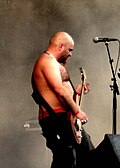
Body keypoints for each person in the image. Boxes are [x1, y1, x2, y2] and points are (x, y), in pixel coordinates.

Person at [31, 32, 94, 168]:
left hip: (64, 118)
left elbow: (62, 92)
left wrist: (76, 93)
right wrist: (77, 111)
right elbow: (58, 89)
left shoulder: (54, 63)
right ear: (60, 46)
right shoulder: (46, 61)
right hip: (55, 119)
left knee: (84, 154)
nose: (71, 54)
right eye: (69, 50)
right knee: (66, 158)